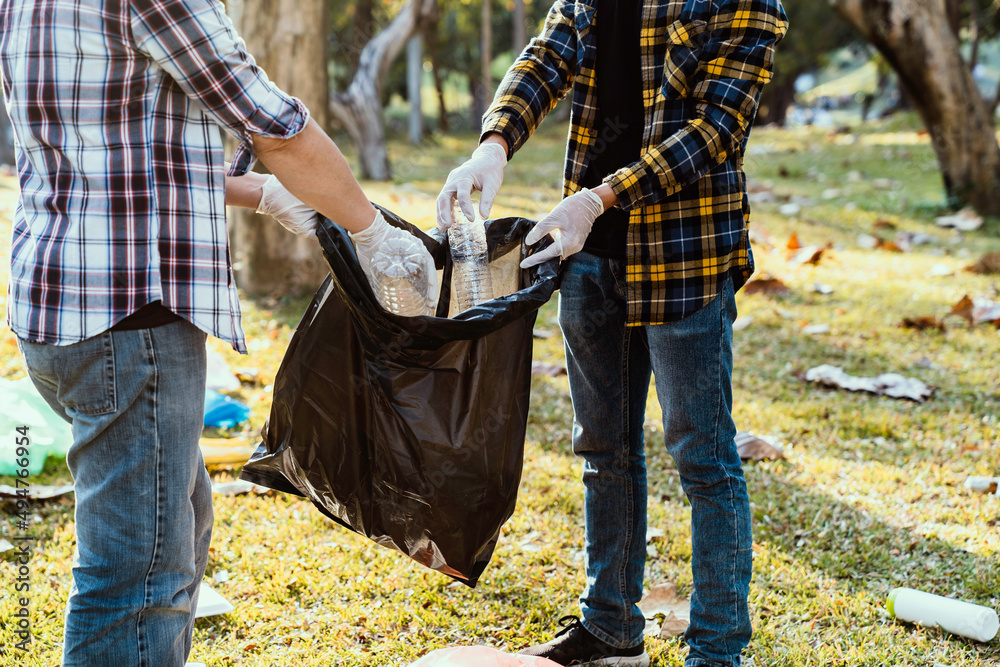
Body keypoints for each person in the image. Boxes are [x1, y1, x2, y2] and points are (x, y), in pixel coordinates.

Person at [0, 0, 432, 664]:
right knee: (138, 578)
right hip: (131, 322)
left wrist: (259, 193)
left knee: (180, 515)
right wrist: (371, 230)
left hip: (59, 303)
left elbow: (104, 141)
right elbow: (273, 124)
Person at [437, 1, 787, 665]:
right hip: (589, 253)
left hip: (684, 258)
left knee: (703, 458)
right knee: (604, 449)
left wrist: (599, 198)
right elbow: (549, 56)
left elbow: (715, 129)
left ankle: (717, 651)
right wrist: (493, 145)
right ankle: (610, 629)